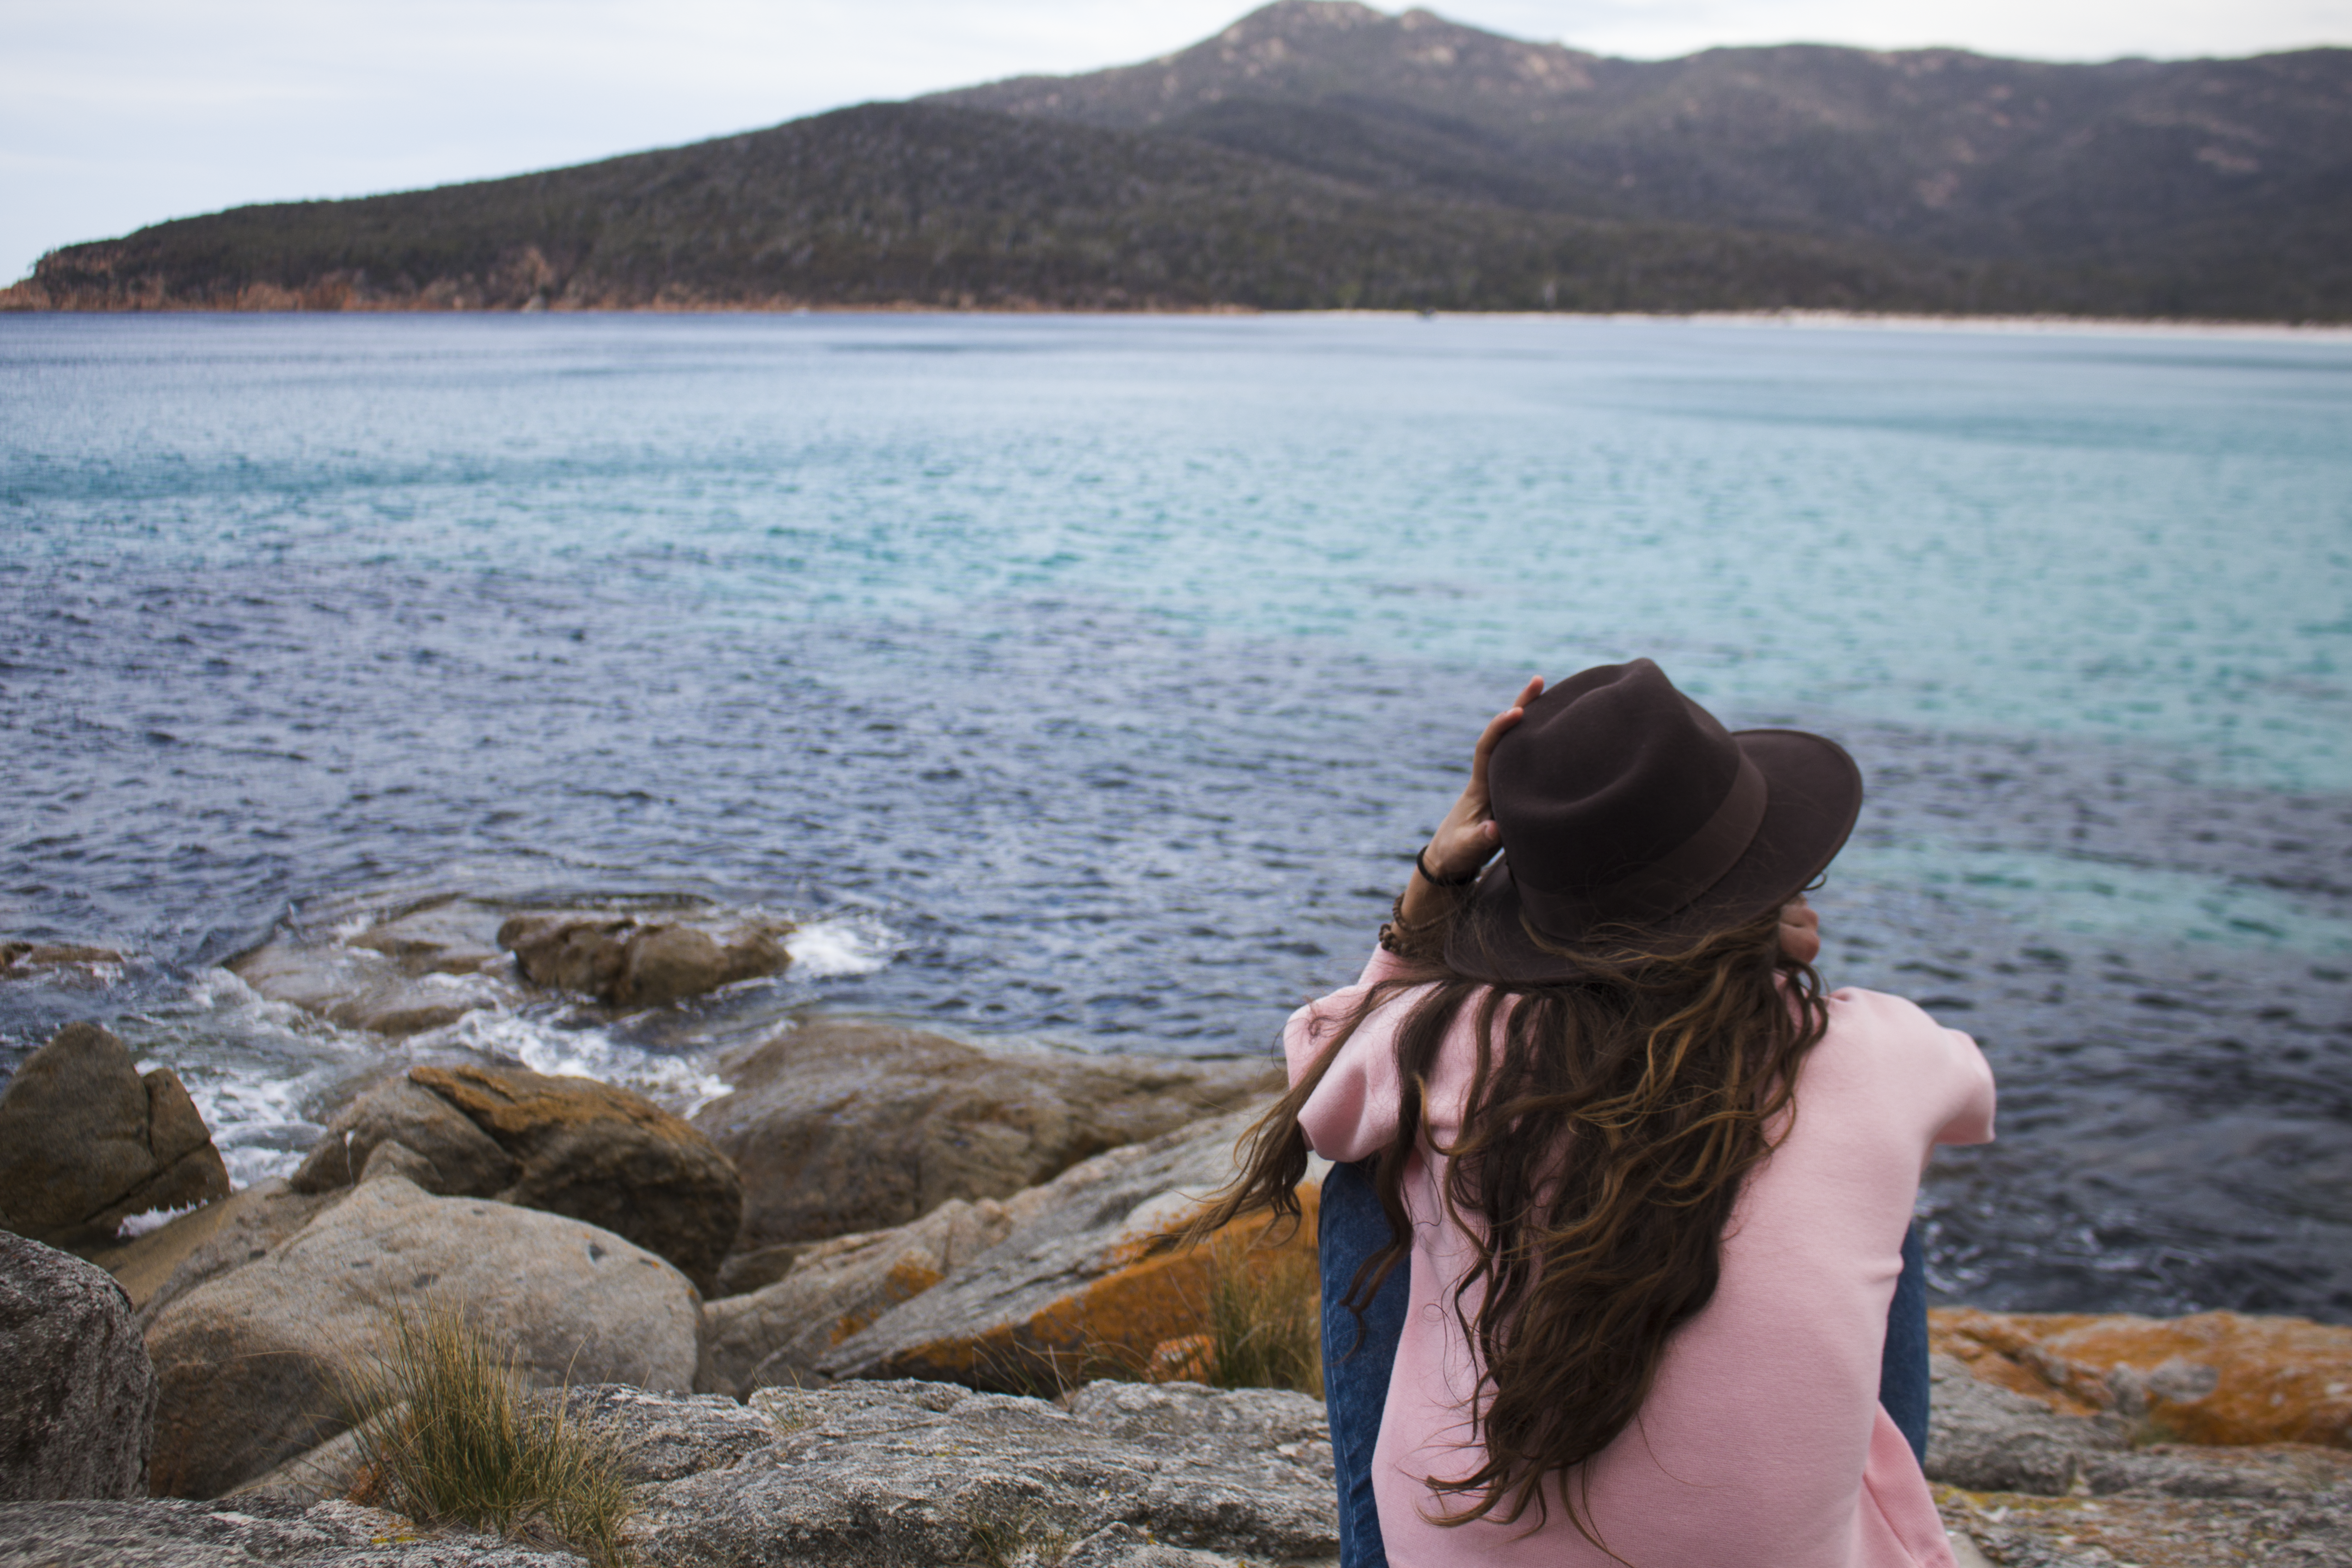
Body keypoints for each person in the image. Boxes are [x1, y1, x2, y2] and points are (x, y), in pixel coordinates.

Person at [1185, 659, 1994, 1568]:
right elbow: (1973, 1097)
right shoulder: (1882, 1050)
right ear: (1761, 889)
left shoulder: (1451, 1038)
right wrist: (1765, 958)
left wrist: (1429, 889)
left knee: (1370, 1173)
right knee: (1887, 1194)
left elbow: (1323, 1089)